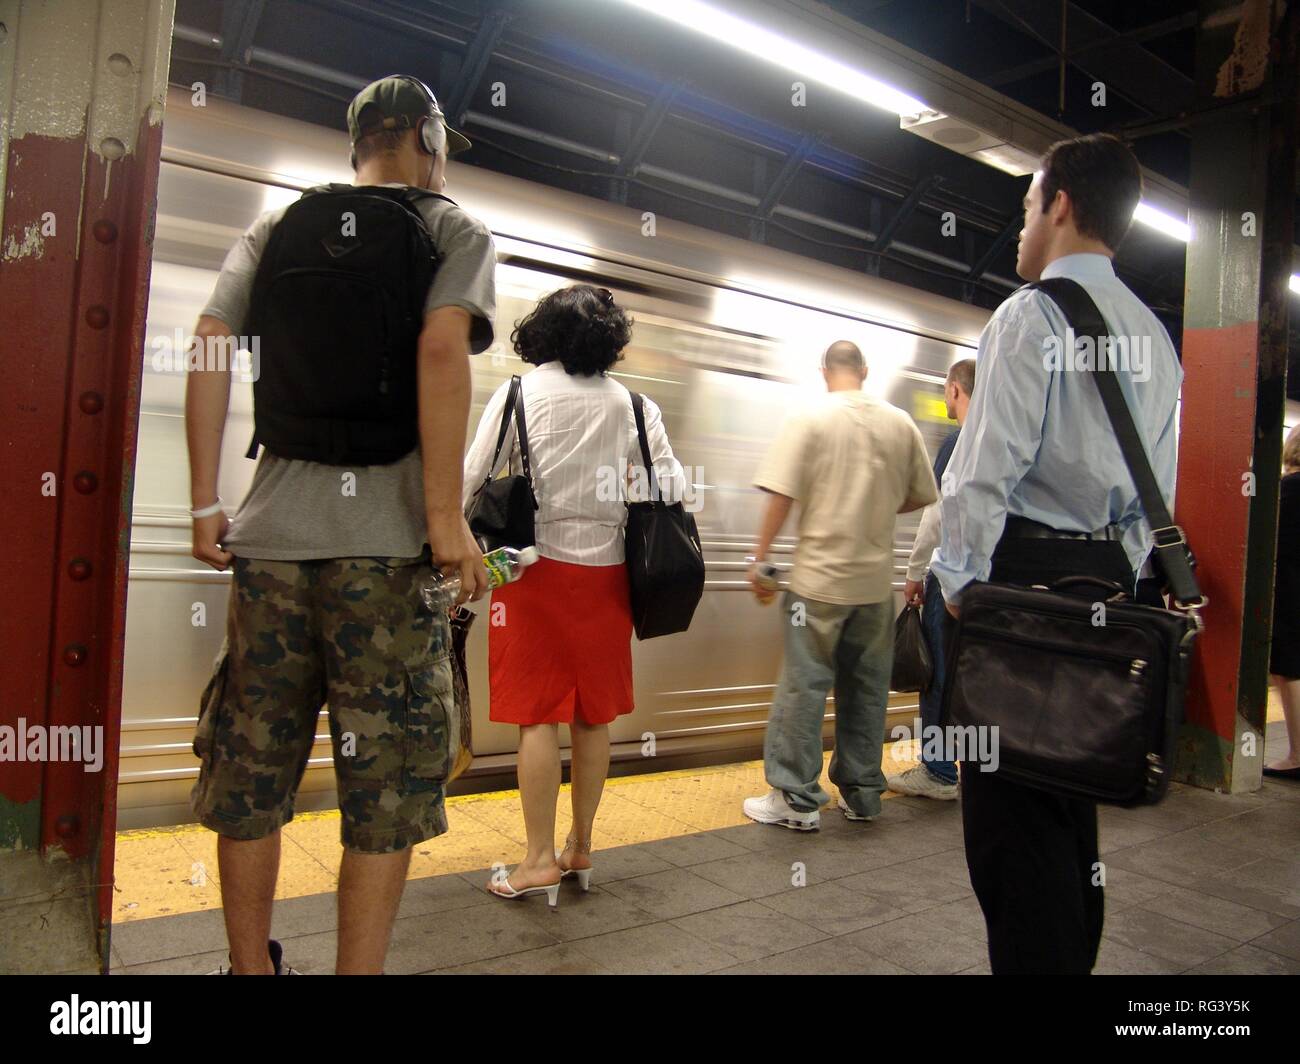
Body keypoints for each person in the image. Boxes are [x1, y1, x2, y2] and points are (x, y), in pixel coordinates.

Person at [185, 75, 496, 974]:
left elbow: (209, 339)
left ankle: (250, 971)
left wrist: (209, 502)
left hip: (270, 552)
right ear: (431, 142)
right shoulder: (450, 228)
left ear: (357, 145)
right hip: (386, 560)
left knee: (251, 779)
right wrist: (446, 519)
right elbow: (443, 348)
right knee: (384, 789)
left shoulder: (278, 229)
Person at [931, 133, 1181, 974]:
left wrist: (962, 590)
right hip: (1110, 587)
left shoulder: (1028, 315)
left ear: (1061, 203)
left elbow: (981, 473)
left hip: (1021, 595)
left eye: (1027, 205)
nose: (1021, 227)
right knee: (1073, 821)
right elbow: (1158, 498)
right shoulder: (1155, 335)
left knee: (1009, 841)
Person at [464, 285, 686, 903]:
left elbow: (469, 479)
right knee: (593, 717)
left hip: (532, 573)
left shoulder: (518, 393)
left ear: (543, 333)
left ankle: (536, 861)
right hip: (609, 576)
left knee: (538, 718)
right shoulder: (636, 406)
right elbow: (670, 490)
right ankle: (579, 847)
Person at [743, 341, 938, 829]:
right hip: (875, 587)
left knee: (804, 686)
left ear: (824, 370)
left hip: (817, 585)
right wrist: (872, 508)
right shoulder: (901, 423)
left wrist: (761, 559)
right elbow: (920, 495)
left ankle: (796, 800)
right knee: (867, 690)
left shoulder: (809, 418)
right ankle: (863, 795)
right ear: (866, 371)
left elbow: (781, 494)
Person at [891, 357, 976, 800]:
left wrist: (914, 573)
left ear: (956, 391)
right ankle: (972, 764)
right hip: (987, 582)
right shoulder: (999, 440)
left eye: (946, 390)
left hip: (950, 577)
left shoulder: (958, 441)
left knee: (937, 673)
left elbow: (938, 517)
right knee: (969, 673)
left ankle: (939, 770)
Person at [1264, 424, 1300, 779]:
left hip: (1290, 592)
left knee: (1287, 669)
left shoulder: (1287, 490)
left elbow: (1271, 544)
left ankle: (1296, 756)